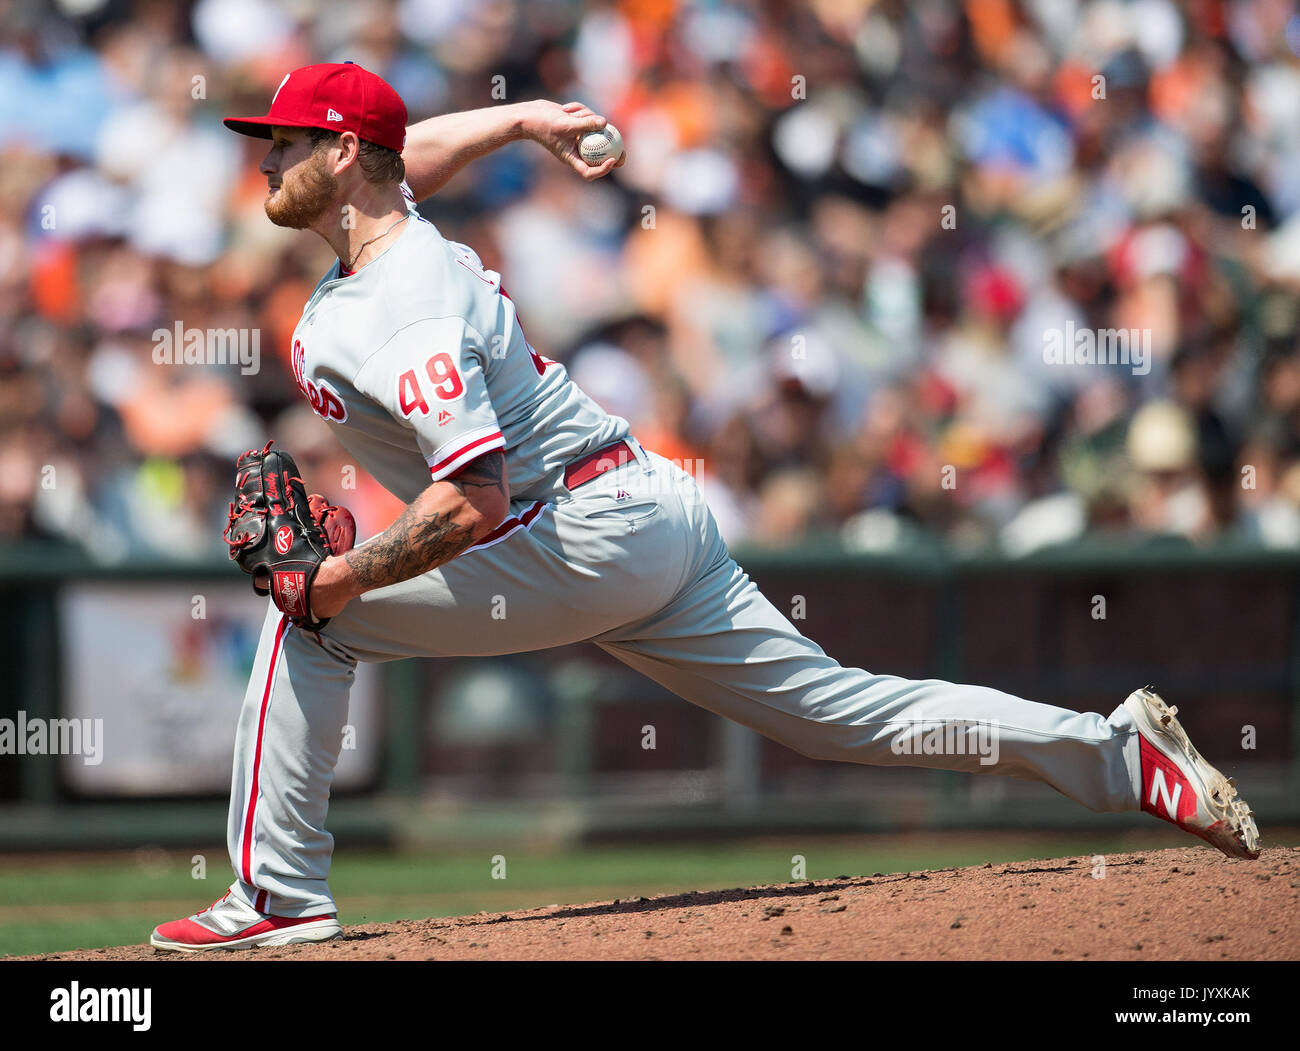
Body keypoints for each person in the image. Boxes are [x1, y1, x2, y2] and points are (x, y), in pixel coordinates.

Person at [150, 63, 1259, 952]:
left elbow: (472, 497)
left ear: (343, 154)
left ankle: (281, 894)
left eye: (290, 143)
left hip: (570, 529)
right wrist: (523, 117)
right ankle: (1116, 755)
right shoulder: (394, 225)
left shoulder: (402, 309)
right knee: (838, 713)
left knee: (310, 620)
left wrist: (348, 575)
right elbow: (408, 160)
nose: (270, 161)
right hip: (641, 511)